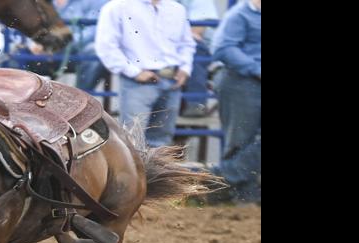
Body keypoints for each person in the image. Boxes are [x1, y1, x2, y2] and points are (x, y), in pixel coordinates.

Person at [95, 0, 197, 148]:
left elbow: (186, 44)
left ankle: (149, 170)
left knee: (154, 141)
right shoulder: (117, 7)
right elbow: (106, 47)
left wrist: (185, 68)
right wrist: (134, 72)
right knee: (135, 141)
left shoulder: (177, 8)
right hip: (140, 80)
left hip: (167, 79)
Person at [209, 0, 258, 203]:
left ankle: (220, 179)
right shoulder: (239, 14)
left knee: (241, 141)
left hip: (248, 80)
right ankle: (245, 197)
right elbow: (222, 48)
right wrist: (256, 69)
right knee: (239, 140)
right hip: (242, 81)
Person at [58, 0, 110, 98]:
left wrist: (55, 43)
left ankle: (79, 100)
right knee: (20, 54)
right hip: (41, 52)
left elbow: (92, 32)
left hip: (75, 51)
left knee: (95, 51)